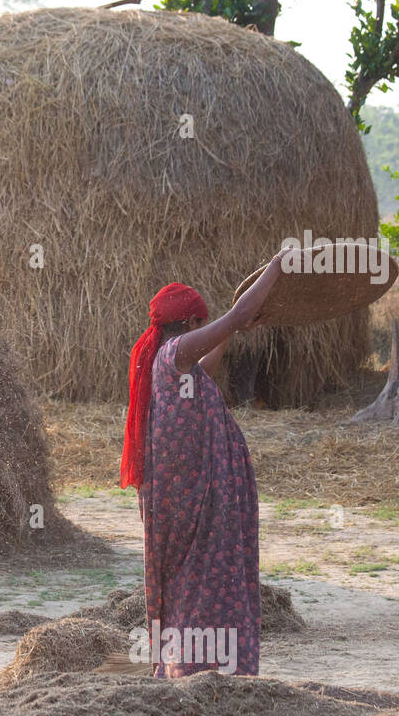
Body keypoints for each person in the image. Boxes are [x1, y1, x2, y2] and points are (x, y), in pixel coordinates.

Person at [119, 249, 290, 677]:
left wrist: (230, 331)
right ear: (193, 324)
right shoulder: (174, 351)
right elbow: (236, 316)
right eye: (204, 326)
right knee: (203, 574)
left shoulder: (172, 363)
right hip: (190, 503)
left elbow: (207, 365)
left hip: (184, 501)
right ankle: (202, 666)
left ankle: (193, 665)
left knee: (194, 578)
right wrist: (275, 268)